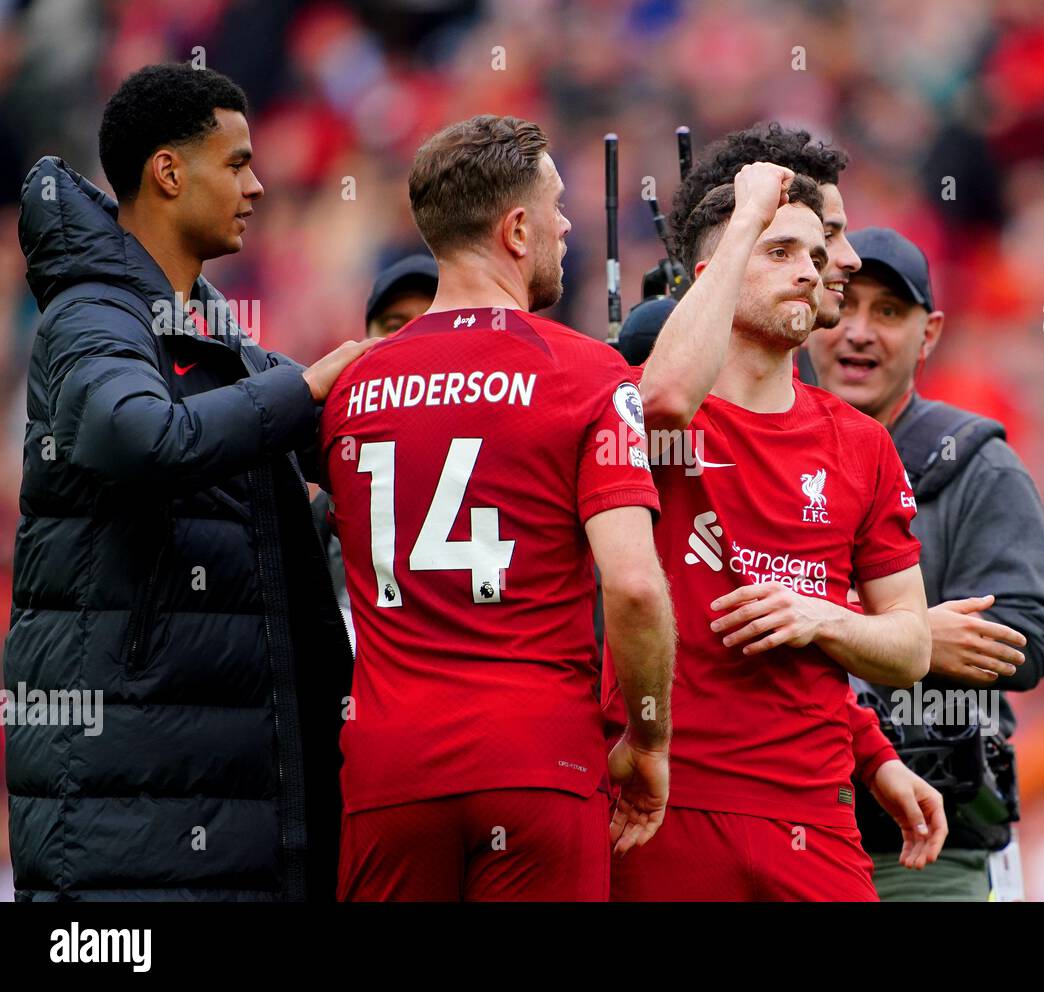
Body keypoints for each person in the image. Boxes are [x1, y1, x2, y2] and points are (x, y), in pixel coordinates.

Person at [5, 63, 375, 901]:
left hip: (213, 813)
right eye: (237, 163)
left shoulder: (212, 334)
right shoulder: (91, 315)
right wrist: (304, 388)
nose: (259, 184)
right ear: (169, 173)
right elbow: (139, 437)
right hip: (128, 833)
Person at [321, 115, 676, 901]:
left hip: (388, 774)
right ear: (517, 229)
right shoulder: (587, 374)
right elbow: (636, 587)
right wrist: (648, 736)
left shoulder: (348, 387)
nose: (567, 225)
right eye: (555, 207)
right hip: (535, 765)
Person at [603, 163, 930, 901]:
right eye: (777, 251)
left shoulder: (863, 443)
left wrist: (821, 616)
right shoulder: (644, 414)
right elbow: (656, 401)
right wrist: (746, 214)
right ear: (711, 273)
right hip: (663, 806)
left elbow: (910, 648)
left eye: (816, 257)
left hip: (815, 817)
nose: (808, 273)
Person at [805, 227, 1044, 900]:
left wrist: (902, 643)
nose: (859, 331)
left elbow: (1029, 636)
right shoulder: (762, 449)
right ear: (811, 313)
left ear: (930, 333)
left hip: (925, 848)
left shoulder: (978, 467)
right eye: (845, 302)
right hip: (784, 824)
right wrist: (911, 633)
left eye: (888, 311)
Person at [311, 253, 441, 649]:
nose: (409, 341)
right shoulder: (330, 495)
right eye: (394, 326)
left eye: (428, 323)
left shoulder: (507, 462)